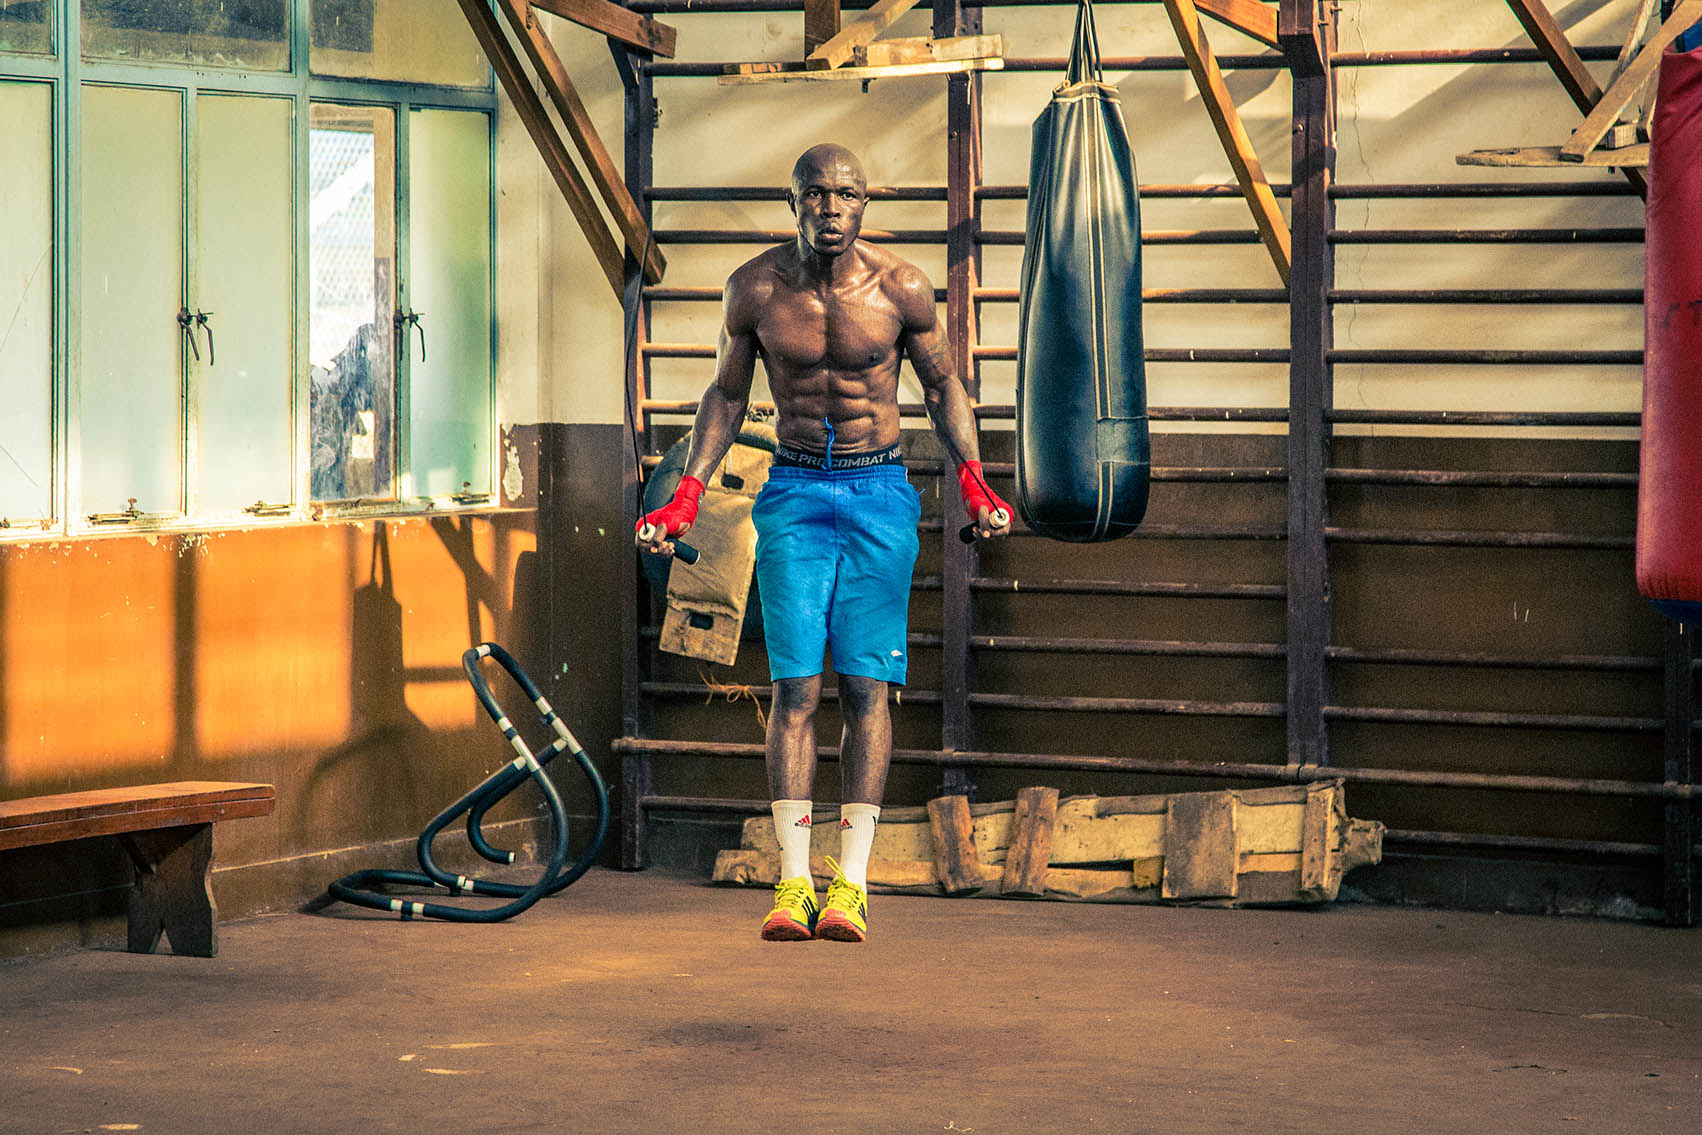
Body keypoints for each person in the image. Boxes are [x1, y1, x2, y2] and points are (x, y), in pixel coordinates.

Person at [636, 143, 1012, 942]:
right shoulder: (756, 290)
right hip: (796, 491)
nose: (832, 208)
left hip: (879, 492)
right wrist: (685, 497)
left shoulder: (902, 288)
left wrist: (975, 477)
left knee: (870, 688)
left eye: (848, 195)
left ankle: (854, 883)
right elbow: (726, 396)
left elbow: (943, 385)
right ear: (794, 200)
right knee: (796, 690)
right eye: (818, 195)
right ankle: (795, 879)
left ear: (866, 202)